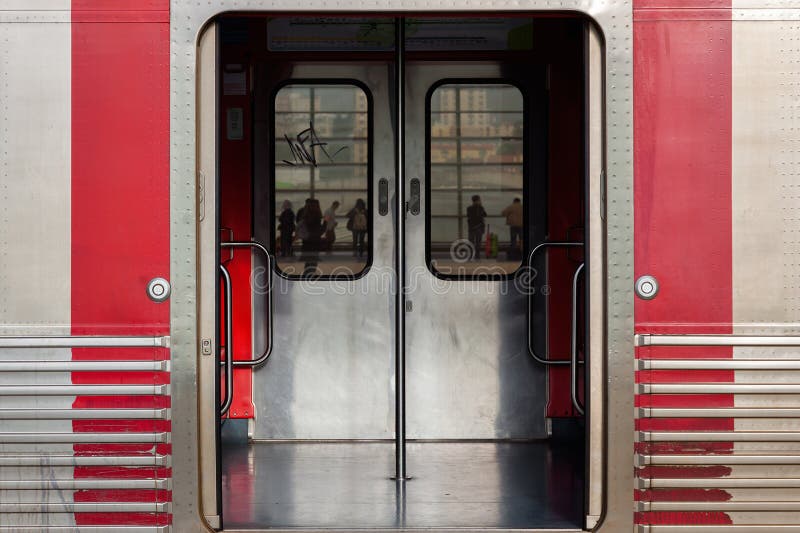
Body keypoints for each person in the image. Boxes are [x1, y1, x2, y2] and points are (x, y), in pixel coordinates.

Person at [296, 198, 323, 273]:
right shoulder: (316, 215)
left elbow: (298, 222)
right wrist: (326, 223)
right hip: (314, 242)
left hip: (306, 241)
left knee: (308, 263)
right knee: (313, 263)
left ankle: (307, 276)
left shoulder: (303, 212)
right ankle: (309, 277)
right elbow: (319, 232)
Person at [466, 194, 487, 260]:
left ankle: (471, 255)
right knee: (478, 242)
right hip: (479, 227)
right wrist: (480, 206)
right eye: (479, 200)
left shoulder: (469, 208)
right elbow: (484, 215)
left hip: (471, 227)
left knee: (471, 241)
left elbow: (469, 216)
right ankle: (477, 255)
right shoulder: (480, 208)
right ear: (477, 200)